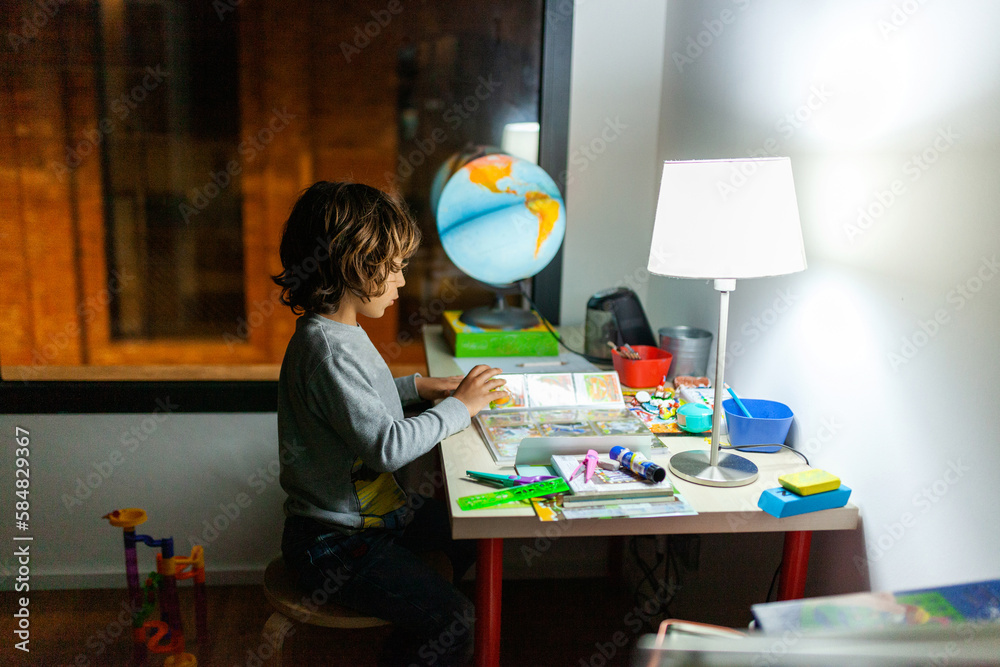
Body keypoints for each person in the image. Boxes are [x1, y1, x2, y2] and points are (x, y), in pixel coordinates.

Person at [272, 181, 506, 666]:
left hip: (370, 523)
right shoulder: (330, 350)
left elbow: (357, 406)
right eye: (394, 268)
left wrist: (418, 387)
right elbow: (385, 445)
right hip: (332, 545)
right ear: (353, 265)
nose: (401, 281)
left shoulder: (338, 334)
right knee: (455, 619)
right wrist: (460, 407)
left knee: (469, 532)